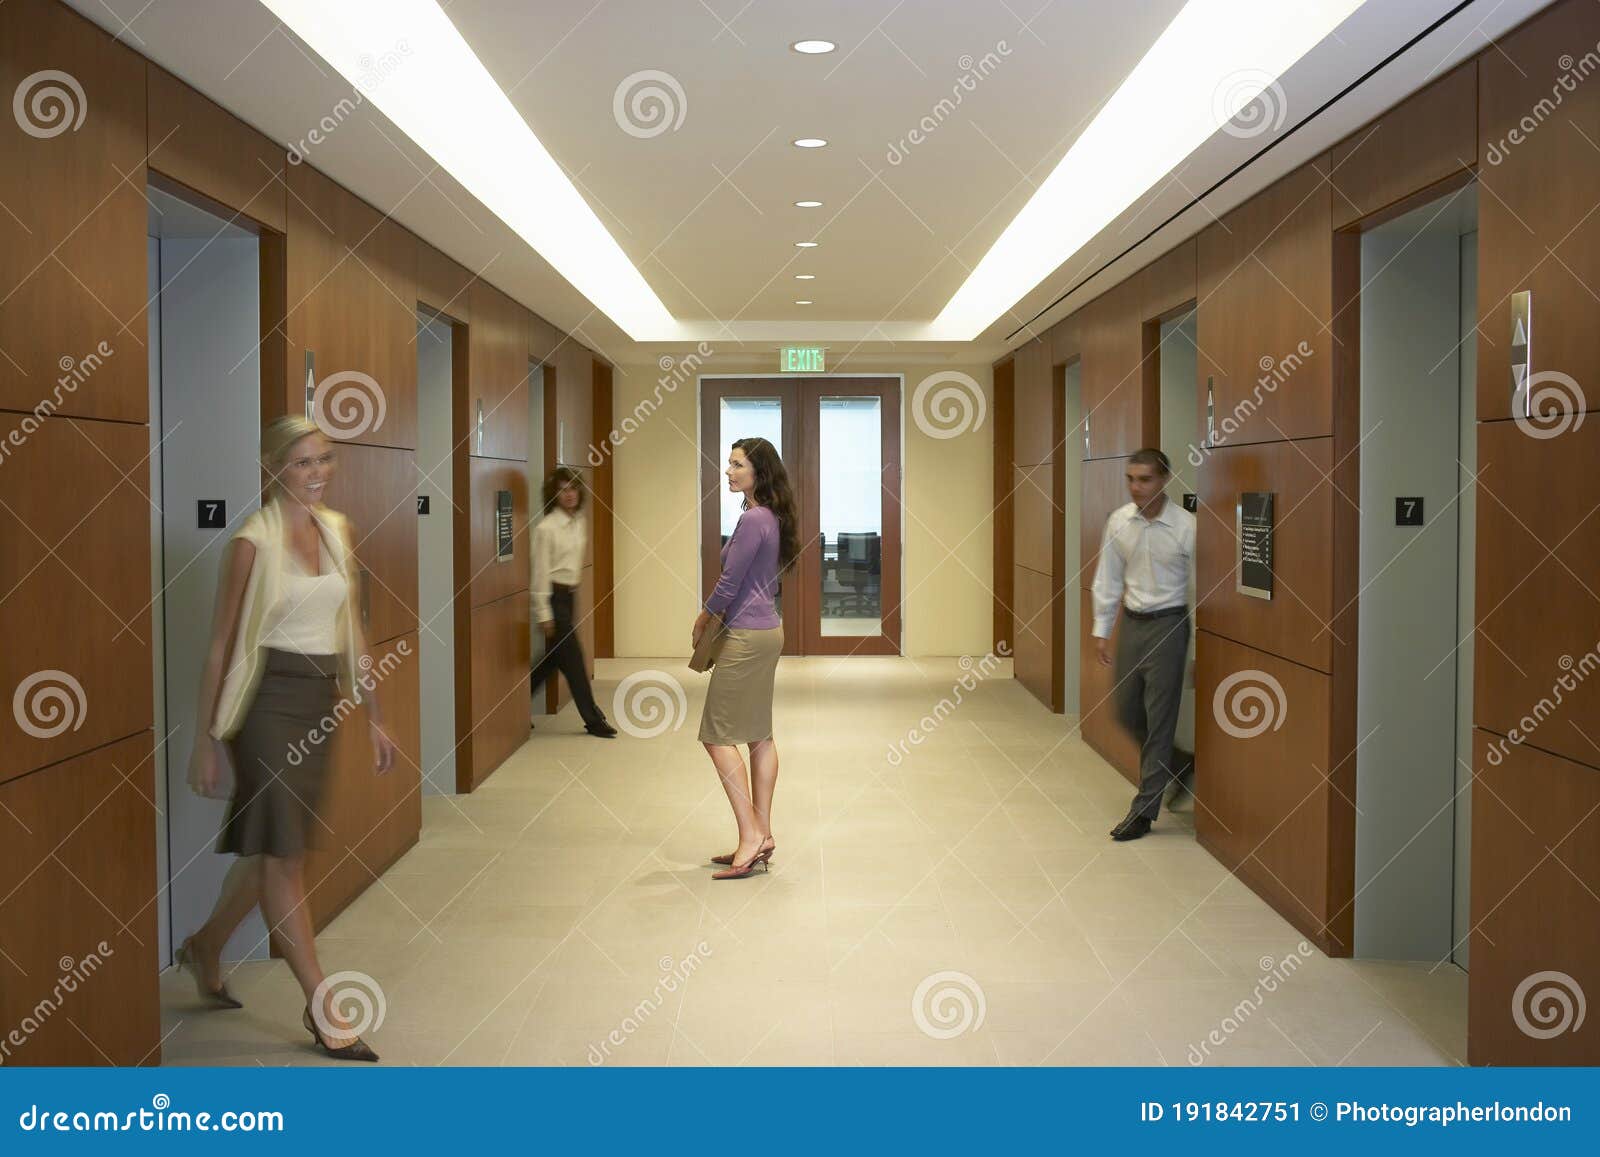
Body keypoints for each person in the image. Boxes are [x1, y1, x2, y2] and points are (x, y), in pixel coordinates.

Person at [181, 415, 395, 1061]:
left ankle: (205, 944)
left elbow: (352, 622)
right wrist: (204, 737)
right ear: (274, 467)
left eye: (324, 460)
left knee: (282, 846)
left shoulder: (336, 530)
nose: (318, 473)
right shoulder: (251, 540)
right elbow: (221, 644)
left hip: (318, 699)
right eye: (303, 462)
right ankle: (323, 1006)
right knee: (286, 858)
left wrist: (374, 711)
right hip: (266, 703)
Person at [692, 437, 797, 880]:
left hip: (746, 635)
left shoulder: (754, 518)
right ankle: (762, 835)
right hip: (766, 629)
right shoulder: (768, 516)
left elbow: (730, 581)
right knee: (759, 735)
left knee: (716, 736)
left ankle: (750, 835)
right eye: (729, 464)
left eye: (737, 465)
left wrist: (704, 616)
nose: (729, 472)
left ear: (759, 471)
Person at [1090, 447, 1197, 841]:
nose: (1136, 487)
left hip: (1170, 626)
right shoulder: (1120, 521)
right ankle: (1181, 763)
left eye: (1145, 479)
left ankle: (1144, 811)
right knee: (1125, 711)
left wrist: (1199, 650)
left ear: (1165, 478)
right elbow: (1109, 576)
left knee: (1160, 720)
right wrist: (1102, 627)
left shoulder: (1187, 526)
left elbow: (1201, 591)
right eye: (1131, 479)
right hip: (1133, 625)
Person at [529, 466, 617, 738]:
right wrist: (544, 612)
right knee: (575, 661)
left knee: (554, 660)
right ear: (554, 494)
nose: (569, 495)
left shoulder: (579, 521)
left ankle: (513, 707)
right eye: (563, 489)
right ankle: (593, 719)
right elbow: (540, 573)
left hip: (569, 596)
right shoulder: (546, 528)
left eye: (573, 488)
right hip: (554, 599)